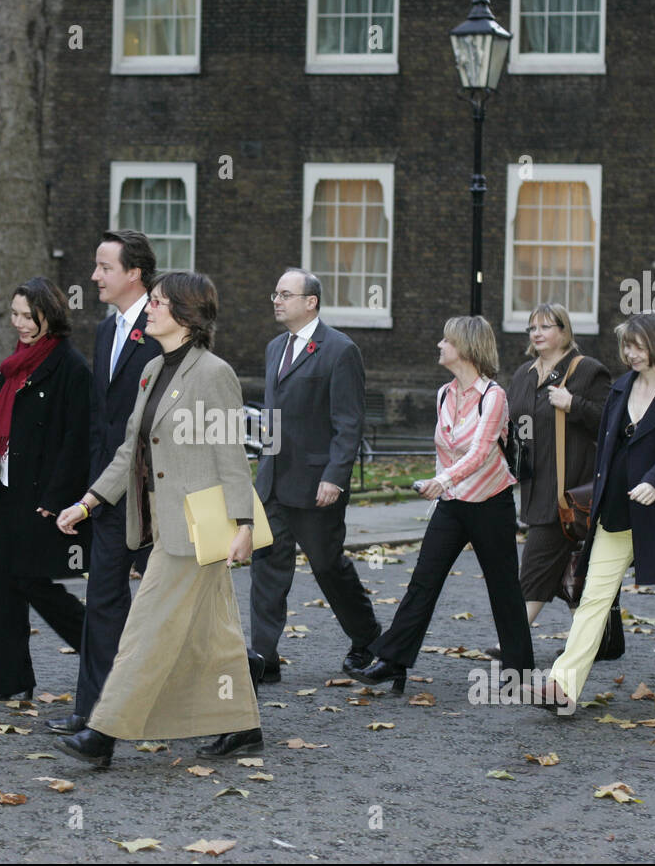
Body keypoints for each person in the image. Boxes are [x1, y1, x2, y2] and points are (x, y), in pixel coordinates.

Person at [54, 270, 262, 767]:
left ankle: (102, 733)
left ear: (186, 316)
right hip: (159, 522)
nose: (149, 308)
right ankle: (242, 725)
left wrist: (245, 525)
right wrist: (87, 503)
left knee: (144, 629)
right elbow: (130, 452)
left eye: (160, 302)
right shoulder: (152, 370)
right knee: (215, 635)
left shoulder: (214, 373)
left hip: (197, 526)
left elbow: (230, 453)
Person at [532, 312, 655, 714]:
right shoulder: (620, 389)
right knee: (594, 597)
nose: (629, 354)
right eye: (626, 346)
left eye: (638, 346)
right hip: (615, 513)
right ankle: (563, 686)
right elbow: (606, 449)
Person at [351, 316, 535, 692]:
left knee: (503, 588)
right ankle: (392, 661)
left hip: (490, 503)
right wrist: (442, 490)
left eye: (446, 339)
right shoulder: (443, 394)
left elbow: (482, 452)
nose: (439, 345)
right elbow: (445, 451)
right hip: (452, 504)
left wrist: (442, 481)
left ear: (466, 348)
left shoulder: (493, 396)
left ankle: (519, 671)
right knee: (423, 582)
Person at [46, 230, 162, 735]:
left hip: (155, 498)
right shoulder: (104, 330)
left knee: (182, 606)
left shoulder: (163, 330)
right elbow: (101, 419)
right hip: (109, 494)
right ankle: (91, 709)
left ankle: (235, 675)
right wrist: (90, 491)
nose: (94, 276)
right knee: (105, 599)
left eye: (103, 267)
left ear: (133, 273)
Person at [249, 267, 381, 683]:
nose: (277, 300)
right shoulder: (274, 348)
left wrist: (335, 477)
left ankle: (369, 640)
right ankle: (262, 657)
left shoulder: (340, 350)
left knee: (328, 567)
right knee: (266, 566)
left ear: (311, 302)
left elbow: (348, 423)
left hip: (316, 485)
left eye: (286, 294)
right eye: (275, 293)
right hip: (273, 482)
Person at [0, 277, 91, 701]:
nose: (19, 323)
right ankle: (8, 683)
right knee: (1, 586)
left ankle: (108, 656)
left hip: (40, 496)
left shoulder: (69, 367)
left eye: (28, 316)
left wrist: (56, 499)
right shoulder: (16, 363)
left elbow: (77, 440)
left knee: (35, 583)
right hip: (6, 490)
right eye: (14, 314)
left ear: (49, 316)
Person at [504, 303, 613, 656]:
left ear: (564, 331)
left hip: (570, 488)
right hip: (535, 485)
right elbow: (517, 428)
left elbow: (611, 424)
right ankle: (602, 641)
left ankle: (512, 642)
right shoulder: (523, 374)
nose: (536, 333)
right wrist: (513, 465)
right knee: (573, 574)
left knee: (536, 562)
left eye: (545, 326)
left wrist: (574, 404)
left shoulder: (587, 371)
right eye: (531, 327)